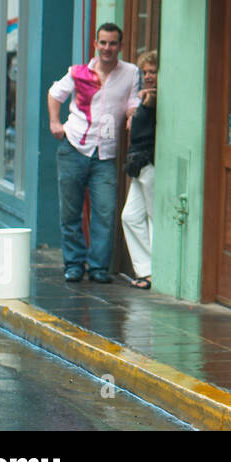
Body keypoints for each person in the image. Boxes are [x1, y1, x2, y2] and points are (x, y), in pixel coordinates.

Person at [48, 23, 140, 283]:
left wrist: (134, 115)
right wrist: (55, 122)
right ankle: (74, 264)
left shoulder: (131, 73)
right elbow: (55, 94)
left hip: (105, 154)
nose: (107, 48)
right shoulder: (78, 73)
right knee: (70, 212)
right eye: (103, 43)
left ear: (120, 47)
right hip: (73, 146)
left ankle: (98, 267)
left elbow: (132, 102)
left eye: (112, 44)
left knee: (105, 211)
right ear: (96, 44)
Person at [121, 50, 157, 289]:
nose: (148, 76)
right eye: (144, 72)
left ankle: (154, 272)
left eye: (152, 71)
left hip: (151, 164)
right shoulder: (144, 97)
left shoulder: (155, 99)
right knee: (130, 216)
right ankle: (146, 269)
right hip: (138, 167)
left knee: (155, 219)